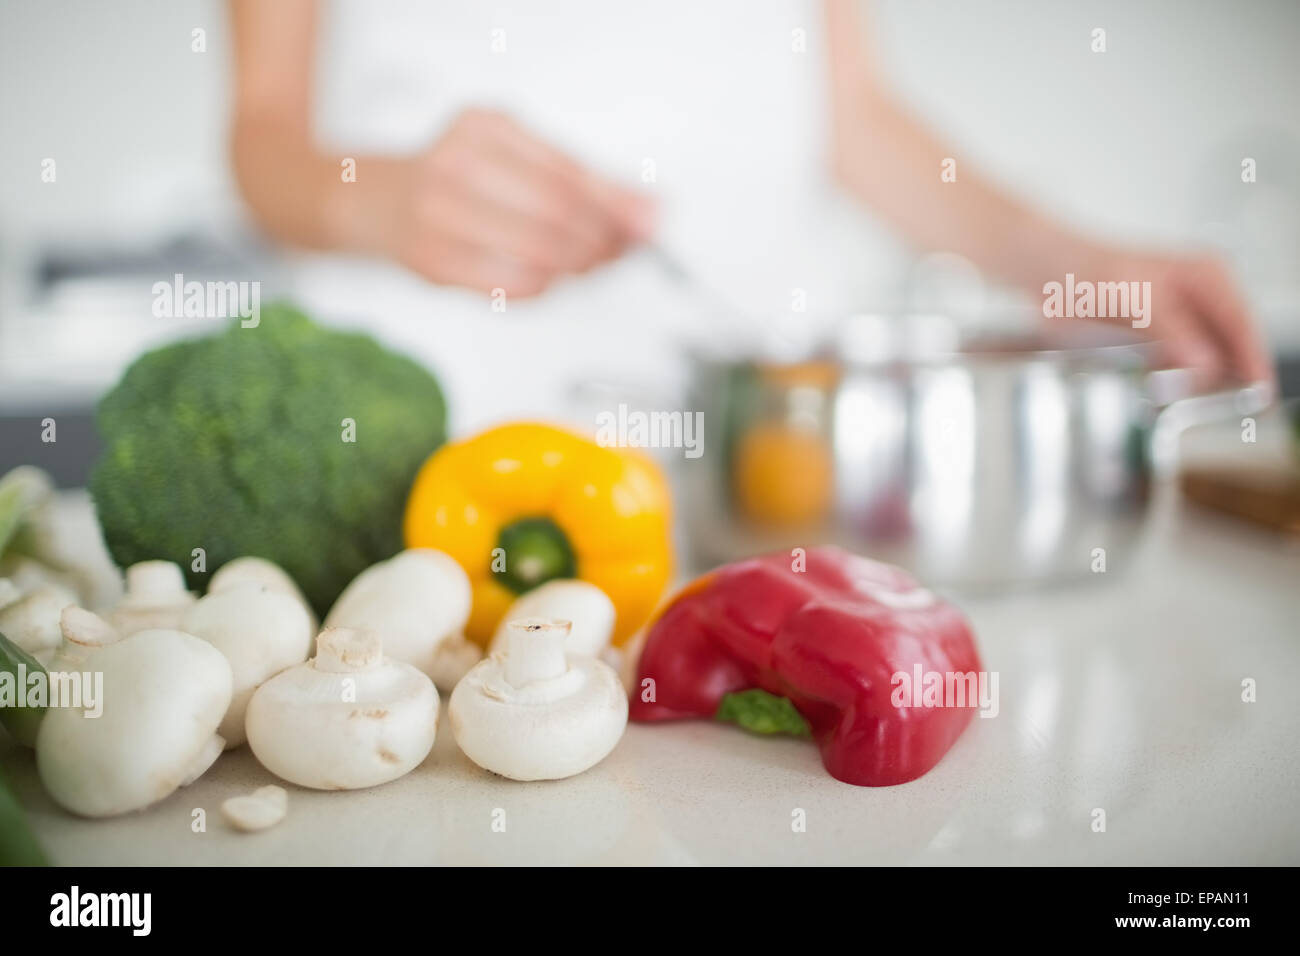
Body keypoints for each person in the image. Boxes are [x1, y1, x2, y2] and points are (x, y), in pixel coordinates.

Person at [229, 0, 1273, 424]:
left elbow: (849, 111)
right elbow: (258, 139)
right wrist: (383, 198)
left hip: (761, 462)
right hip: (415, 461)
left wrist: (1067, 259)